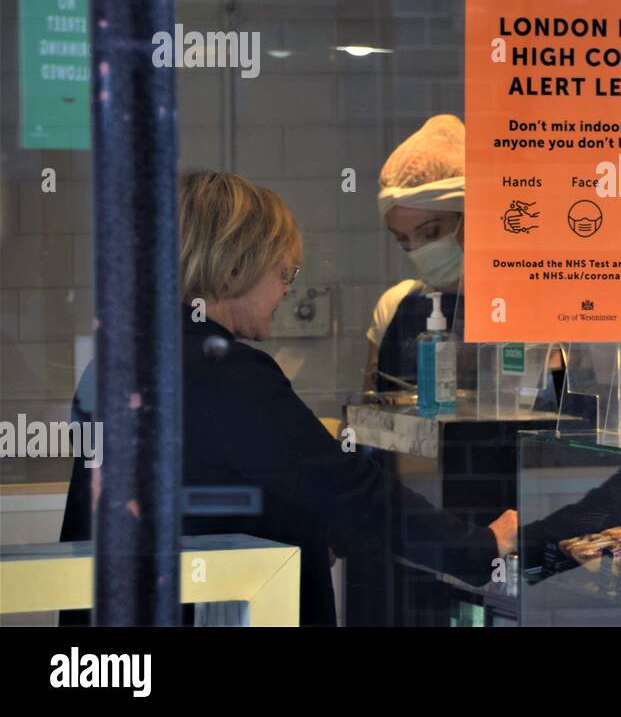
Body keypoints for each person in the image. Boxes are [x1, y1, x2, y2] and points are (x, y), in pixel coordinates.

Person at [59, 171, 516, 626]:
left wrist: (315, 525)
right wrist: (479, 548)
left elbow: (208, 495)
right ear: (234, 267)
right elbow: (352, 489)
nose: (289, 288)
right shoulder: (225, 371)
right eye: (283, 271)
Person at [365, 115, 468, 395]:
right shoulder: (395, 305)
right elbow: (371, 408)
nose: (417, 250)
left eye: (431, 232)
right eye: (402, 239)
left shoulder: (517, 309)